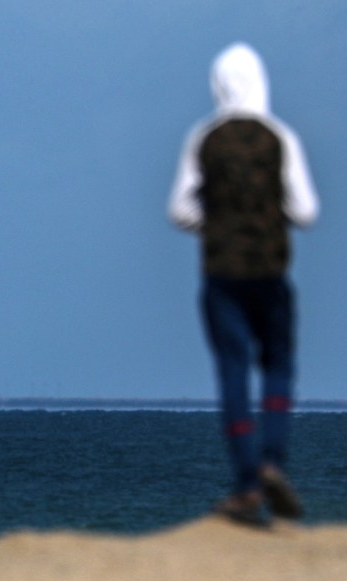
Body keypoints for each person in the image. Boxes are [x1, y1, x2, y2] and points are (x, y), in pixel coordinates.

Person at [168, 42, 319, 524]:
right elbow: (306, 211)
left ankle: (247, 483)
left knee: (232, 370)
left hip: (221, 274)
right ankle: (273, 459)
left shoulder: (204, 138)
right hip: (271, 273)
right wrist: (271, 214)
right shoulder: (280, 137)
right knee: (278, 365)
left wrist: (212, 221)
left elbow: (178, 210)